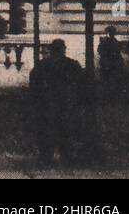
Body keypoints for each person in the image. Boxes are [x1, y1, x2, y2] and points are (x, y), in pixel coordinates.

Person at [28, 38, 86, 166]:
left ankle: (47, 156)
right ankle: (66, 156)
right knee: (65, 130)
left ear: (51, 50)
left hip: (48, 103)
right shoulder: (71, 64)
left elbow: (34, 84)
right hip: (64, 102)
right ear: (63, 50)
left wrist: (36, 100)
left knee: (48, 130)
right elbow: (81, 82)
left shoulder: (43, 65)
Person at [97, 26, 125, 94]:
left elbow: (100, 51)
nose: (112, 34)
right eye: (111, 32)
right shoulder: (109, 41)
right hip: (109, 63)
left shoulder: (110, 41)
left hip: (110, 63)